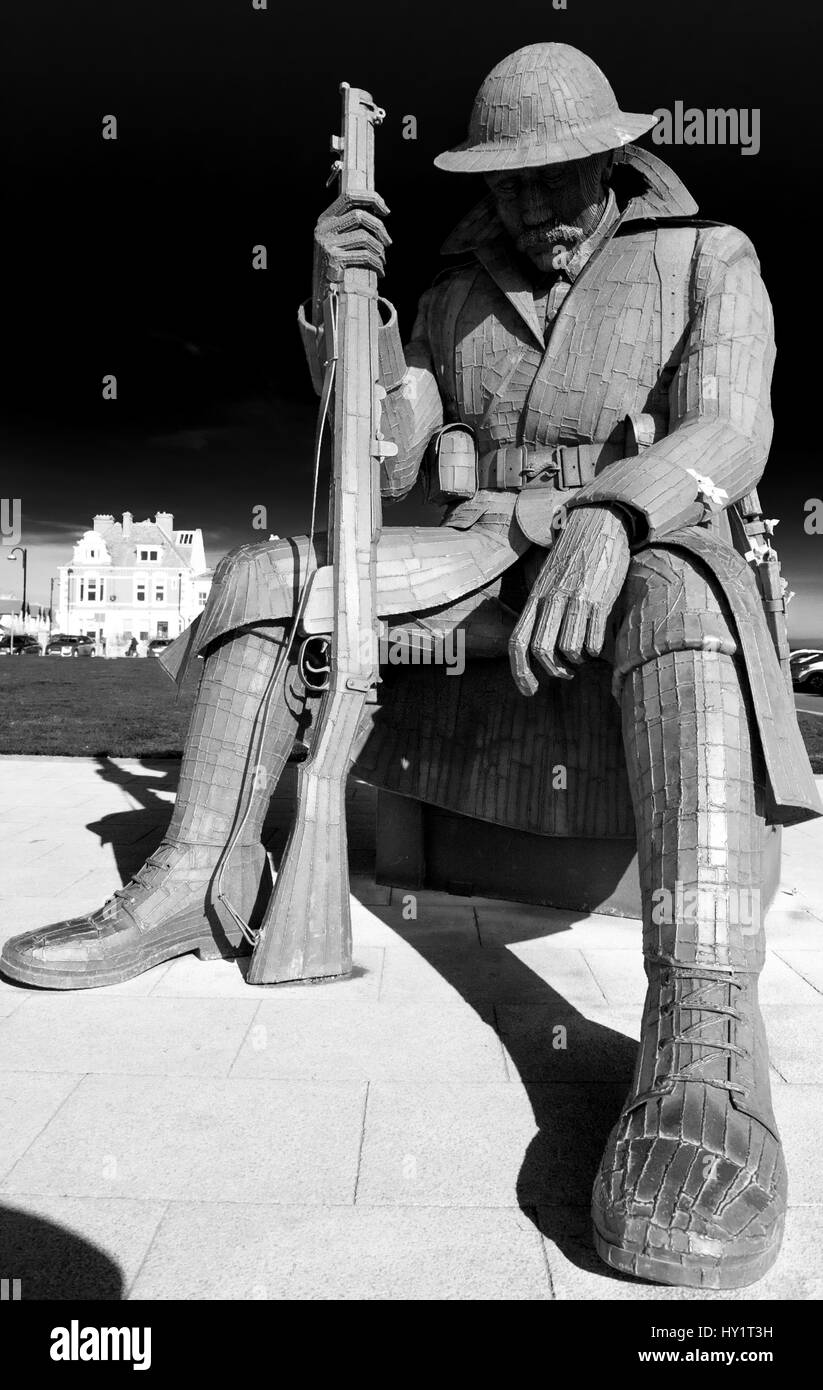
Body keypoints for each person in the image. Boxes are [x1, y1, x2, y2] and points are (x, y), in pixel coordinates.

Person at [2, 42, 819, 1288]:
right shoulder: (448, 291)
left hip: (638, 540)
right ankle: (186, 884)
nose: (530, 207)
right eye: (507, 186)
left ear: (612, 155)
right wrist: (358, 317)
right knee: (273, 572)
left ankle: (703, 1028)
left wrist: (619, 511)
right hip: (478, 552)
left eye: (553, 179)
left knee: (684, 589)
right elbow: (379, 465)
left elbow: (733, 426)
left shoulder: (710, 256)